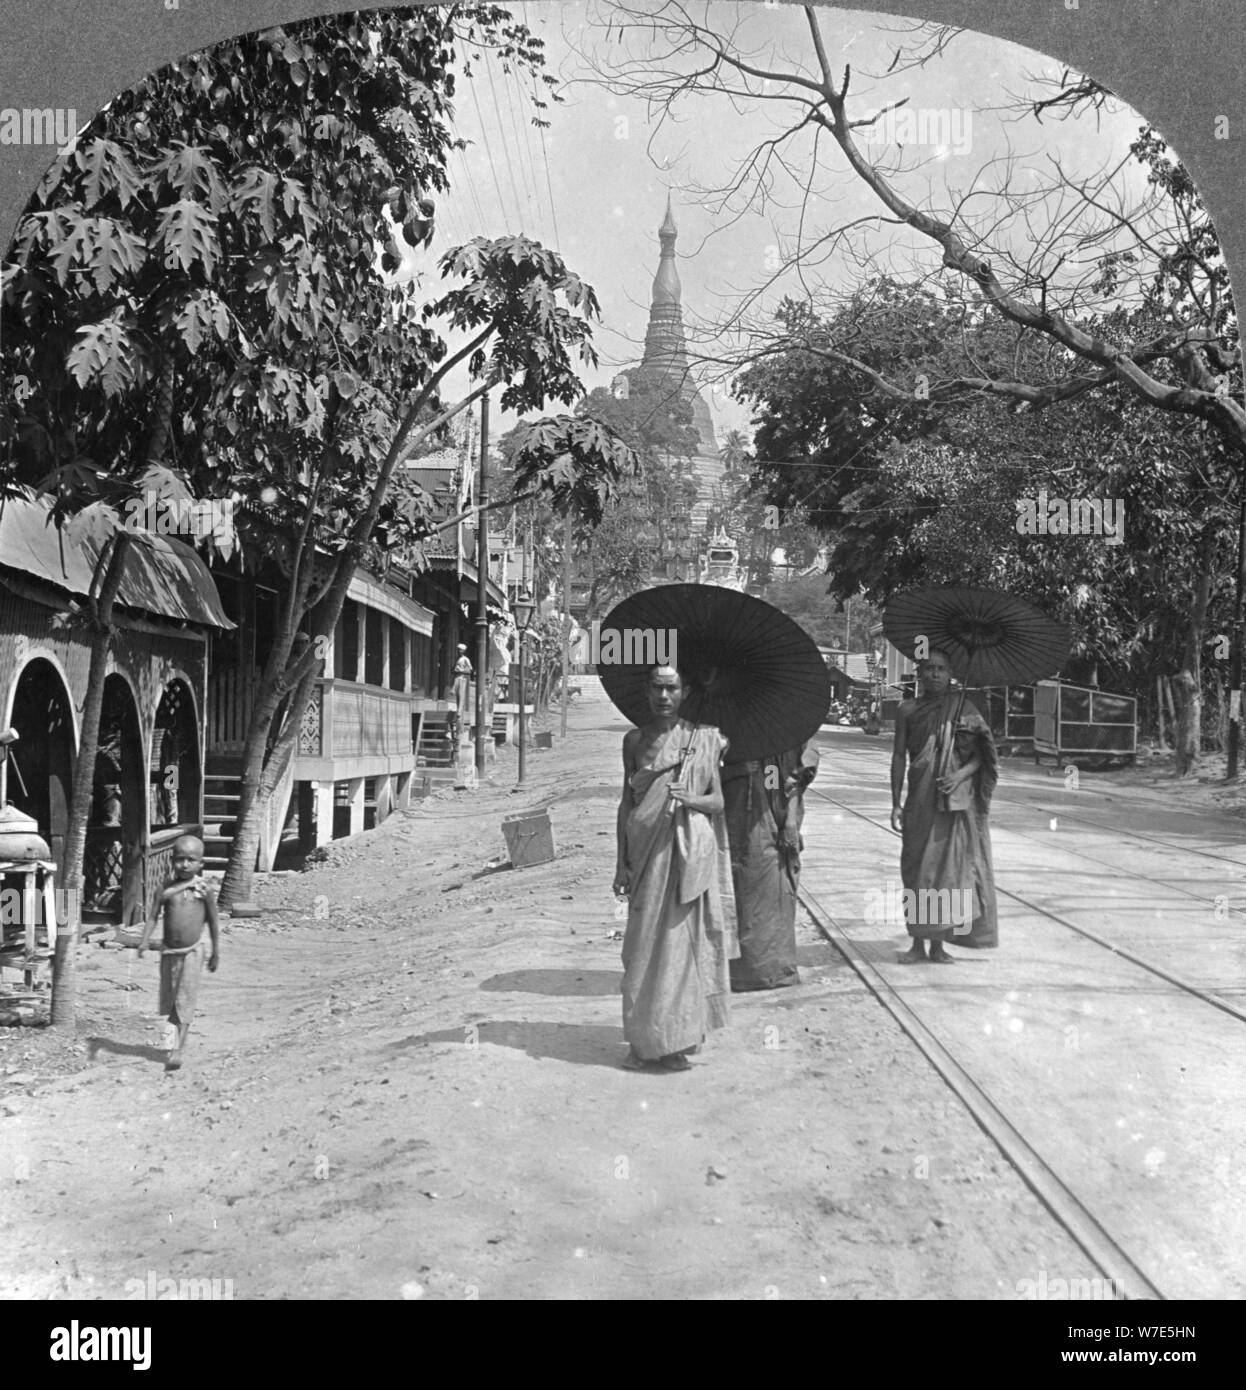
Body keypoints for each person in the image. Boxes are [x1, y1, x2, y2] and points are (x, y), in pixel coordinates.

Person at [613, 665, 738, 1071]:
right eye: (657, 687)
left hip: (685, 857)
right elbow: (627, 803)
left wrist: (690, 800)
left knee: (679, 951)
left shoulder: (703, 739)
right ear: (646, 691)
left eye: (672, 688)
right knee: (640, 951)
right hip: (644, 854)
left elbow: (718, 803)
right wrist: (620, 863)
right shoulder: (633, 741)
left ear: (684, 693)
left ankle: (674, 1043)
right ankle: (641, 1042)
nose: (663, 696)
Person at [890, 650, 998, 963]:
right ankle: (917, 944)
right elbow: (898, 756)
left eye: (941, 669)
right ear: (919, 674)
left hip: (954, 803)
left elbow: (983, 756)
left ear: (950, 673)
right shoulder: (907, 709)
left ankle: (939, 946)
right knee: (917, 871)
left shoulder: (964, 708)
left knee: (949, 874)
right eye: (928, 669)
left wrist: (960, 774)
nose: (935, 674)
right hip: (919, 800)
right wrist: (895, 803)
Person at [723, 742, 820, 991]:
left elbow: (779, 786)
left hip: (765, 823)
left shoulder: (783, 734)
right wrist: (738, 770)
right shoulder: (726, 729)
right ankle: (734, 968)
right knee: (736, 894)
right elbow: (704, 776)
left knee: (770, 892)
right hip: (730, 818)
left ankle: (769, 970)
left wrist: (787, 821)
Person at [137, 834, 220, 1070]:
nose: (184, 865)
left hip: (192, 953)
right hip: (169, 953)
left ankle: (177, 1051)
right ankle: (173, 1045)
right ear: (172, 861)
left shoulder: (204, 889)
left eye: (191, 860)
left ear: (201, 863)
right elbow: (153, 916)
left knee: (185, 1001)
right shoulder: (165, 889)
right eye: (179, 859)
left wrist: (216, 952)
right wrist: (144, 941)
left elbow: (213, 922)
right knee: (172, 1002)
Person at [450, 643, 472, 745]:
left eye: (461, 650)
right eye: (458, 650)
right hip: (456, 676)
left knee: (461, 695)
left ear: (464, 651)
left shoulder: (465, 659)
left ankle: (459, 712)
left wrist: (463, 670)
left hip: (462, 677)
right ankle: (453, 690)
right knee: (457, 695)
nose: (459, 651)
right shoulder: (456, 659)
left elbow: (470, 668)